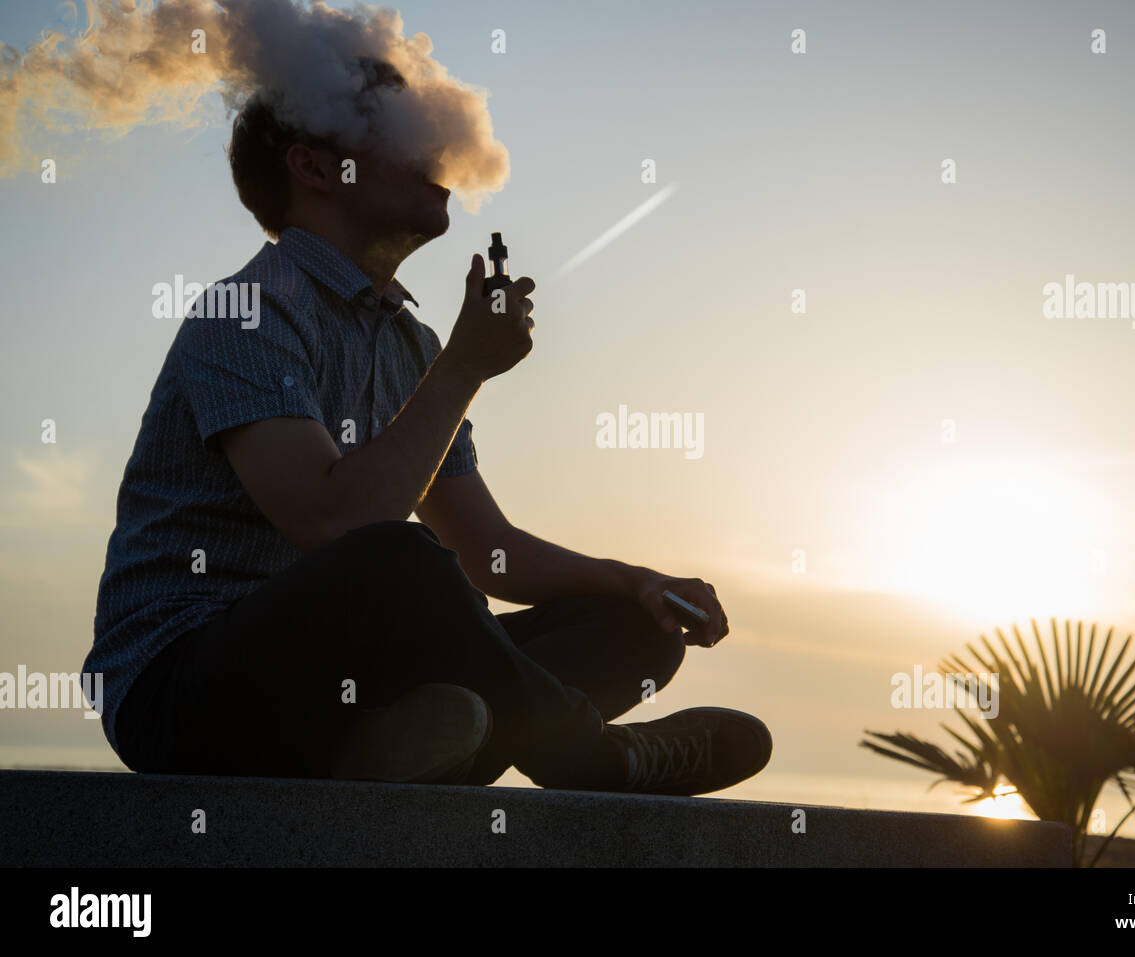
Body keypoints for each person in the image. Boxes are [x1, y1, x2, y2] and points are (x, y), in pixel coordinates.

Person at [85, 59, 772, 795]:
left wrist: (635, 582)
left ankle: (391, 754)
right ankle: (595, 758)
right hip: (184, 687)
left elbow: (489, 553)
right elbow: (333, 521)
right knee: (397, 557)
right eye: (398, 131)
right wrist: (465, 368)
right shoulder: (247, 310)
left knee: (634, 630)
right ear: (315, 167)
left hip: (343, 685)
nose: (435, 147)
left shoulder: (411, 343)